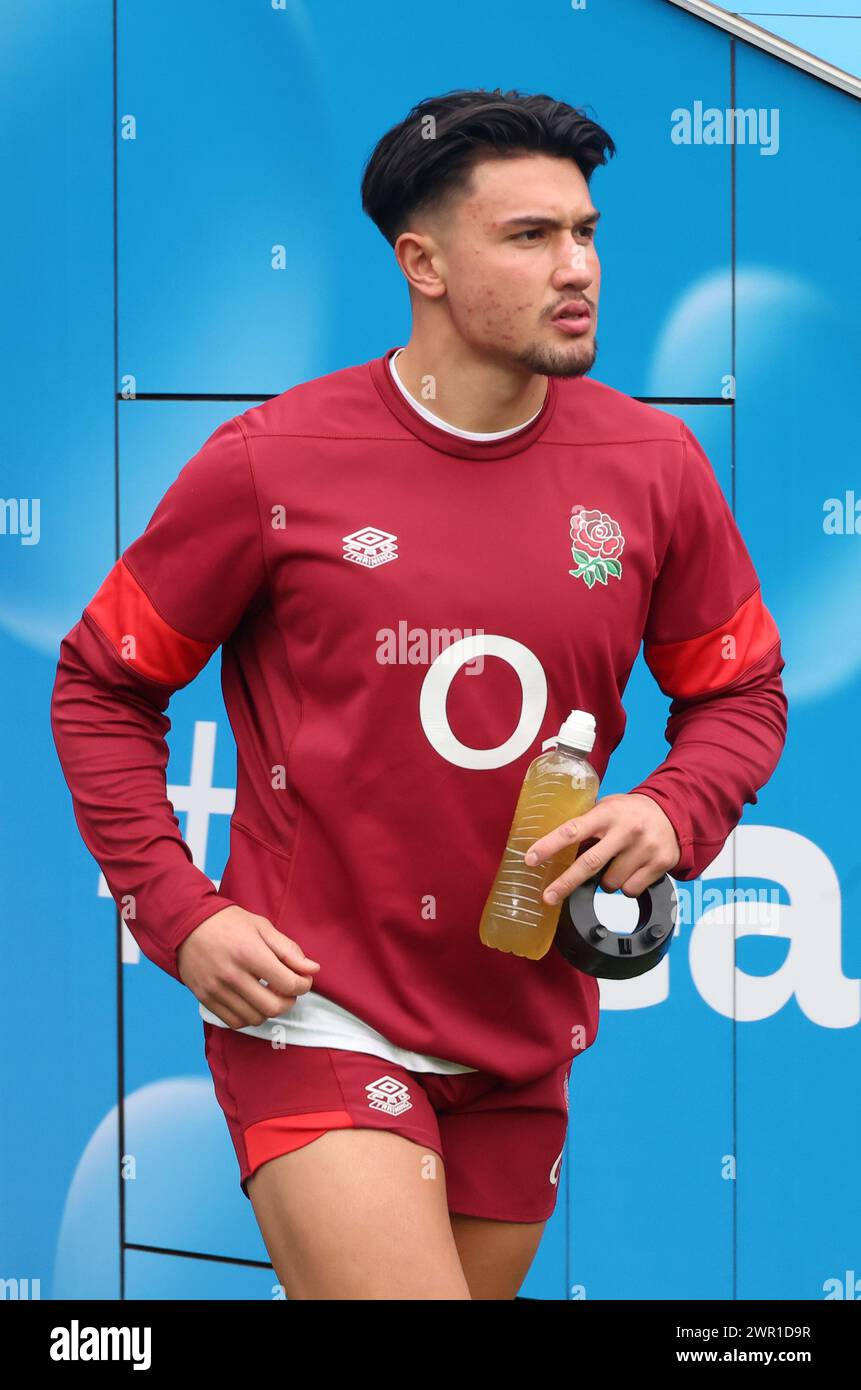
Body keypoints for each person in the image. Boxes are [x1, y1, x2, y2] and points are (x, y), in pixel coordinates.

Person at [50, 87, 788, 1300]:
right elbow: (99, 685)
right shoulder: (271, 462)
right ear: (422, 262)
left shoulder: (655, 466)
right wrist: (179, 913)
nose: (578, 268)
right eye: (531, 236)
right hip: (314, 1011)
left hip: (520, 1025)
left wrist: (675, 809)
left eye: (587, 232)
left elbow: (743, 691)